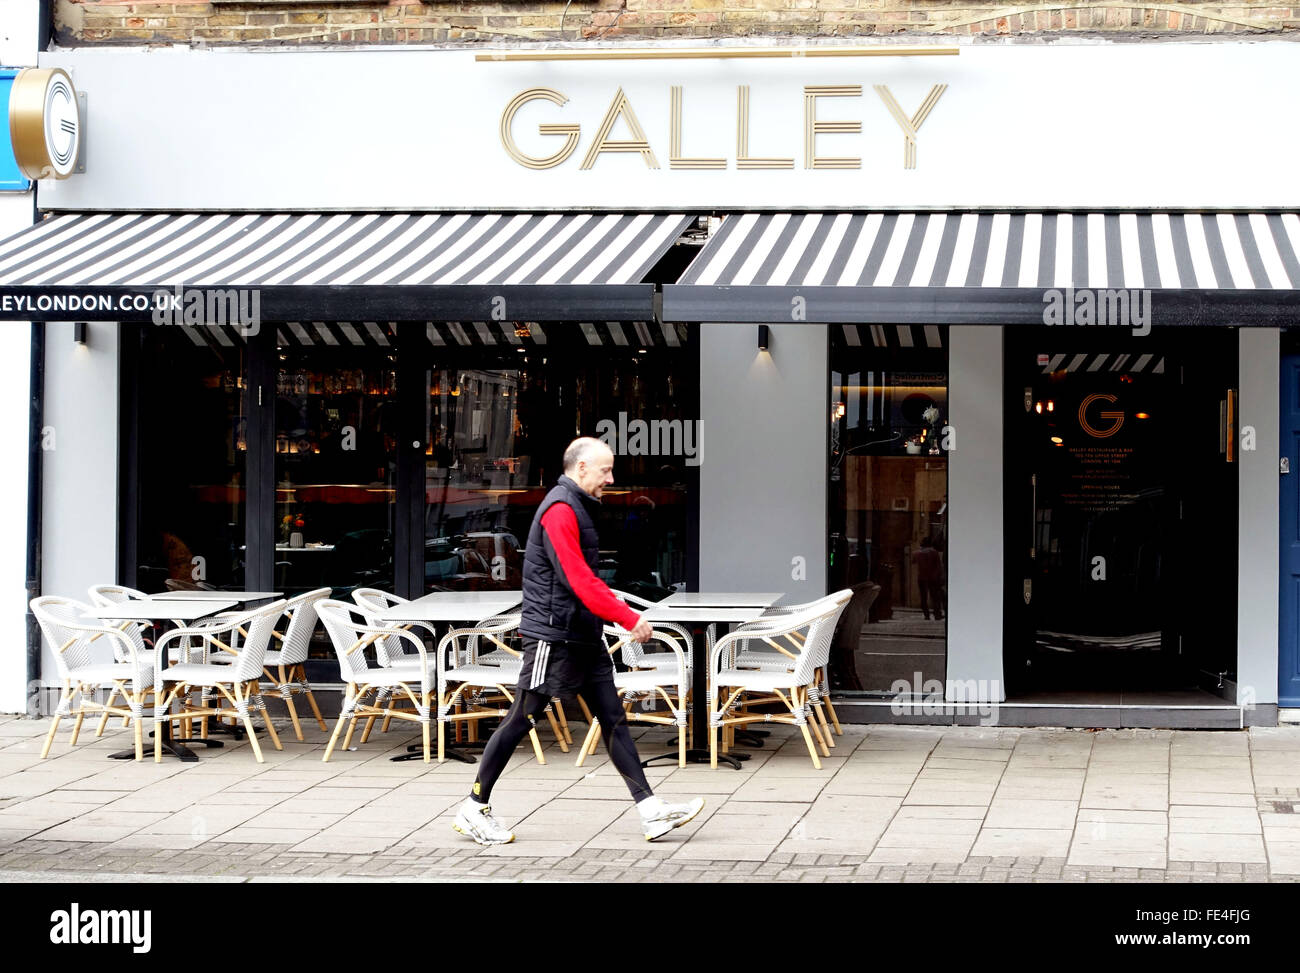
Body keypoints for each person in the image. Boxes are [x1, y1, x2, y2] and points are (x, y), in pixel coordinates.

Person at [452, 437, 704, 846]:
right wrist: (626, 617)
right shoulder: (560, 509)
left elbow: (582, 580)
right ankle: (474, 806)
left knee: (614, 719)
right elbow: (577, 579)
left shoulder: (577, 506)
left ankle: (650, 811)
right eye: (605, 470)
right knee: (522, 718)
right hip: (554, 636)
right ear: (582, 467)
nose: (611, 478)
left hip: (580, 634)